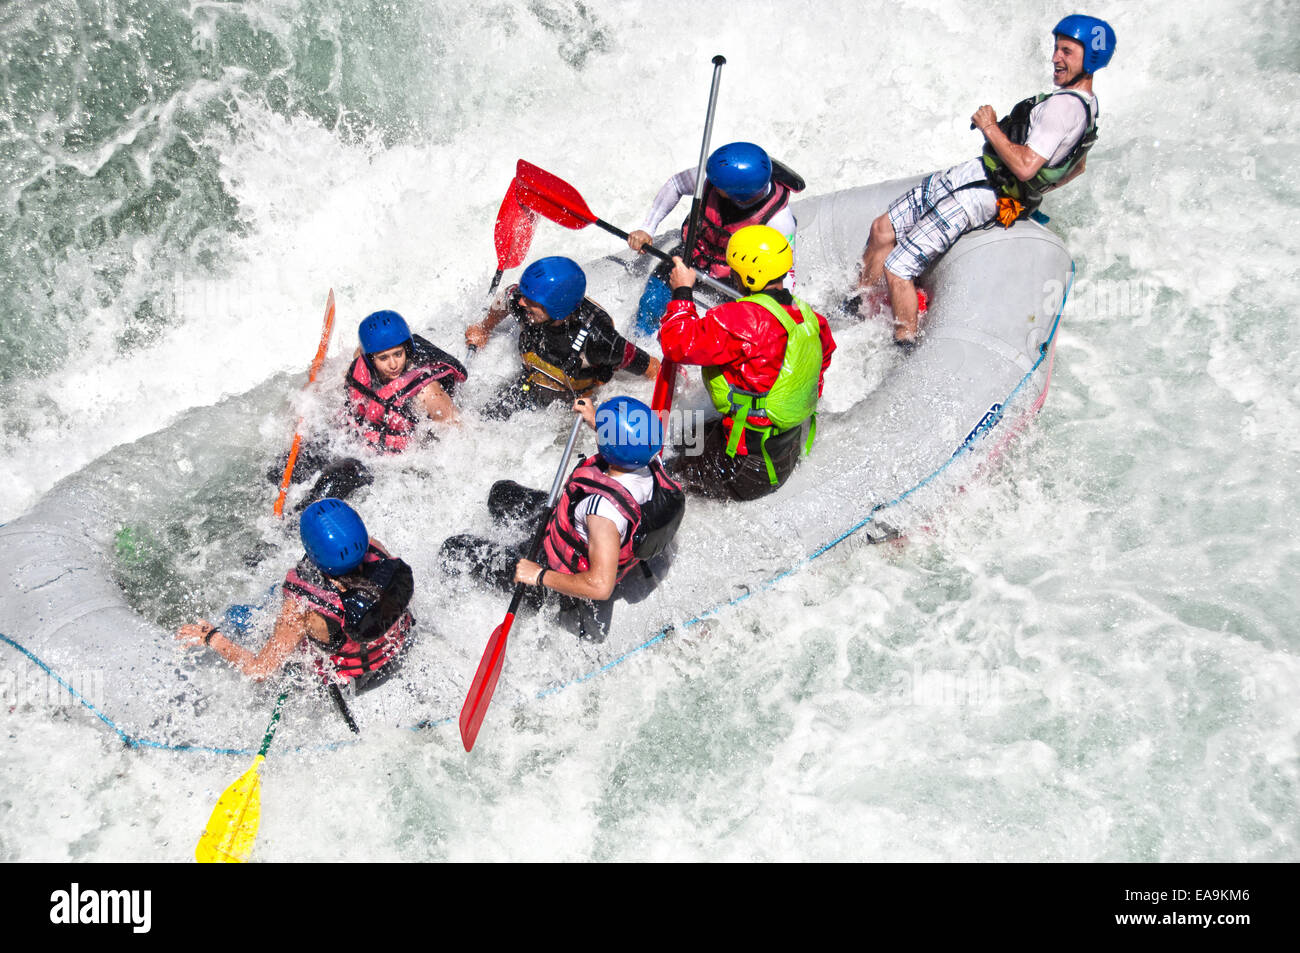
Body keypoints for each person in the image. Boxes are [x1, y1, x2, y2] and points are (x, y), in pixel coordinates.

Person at [851, 15, 1115, 346]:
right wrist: (1031, 194)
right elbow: (1077, 167)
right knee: (882, 228)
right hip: (976, 175)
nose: (1055, 58)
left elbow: (1025, 168)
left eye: (1066, 51)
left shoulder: (1063, 109)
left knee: (899, 267)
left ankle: (904, 341)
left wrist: (989, 125)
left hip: (982, 193)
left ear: (1089, 58)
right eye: (1056, 49)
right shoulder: (1088, 108)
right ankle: (860, 307)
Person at [440, 396, 684, 643]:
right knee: (501, 493)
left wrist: (538, 575)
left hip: (561, 571)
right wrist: (596, 420)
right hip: (567, 525)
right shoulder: (650, 459)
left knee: (453, 550)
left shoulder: (603, 513)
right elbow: (629, 444)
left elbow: (600, 586)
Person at [660, 224, 836, 501]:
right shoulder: (810, 318)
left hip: (744, 471)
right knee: (689, 433)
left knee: (665, 475)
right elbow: (821, 362)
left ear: (749, 276)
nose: (733, 277)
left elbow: (676, 344)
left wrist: (682, 291)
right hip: (784, 449)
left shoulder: (741, 320)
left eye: (735, 272)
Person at [177, 499, 416, 692]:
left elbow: (259, 670)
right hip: (398, 650)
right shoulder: (376, 549)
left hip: (357, 679)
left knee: (235, 617)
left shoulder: (300, 607)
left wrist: (212, 638)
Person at [270, 309, 466, 510]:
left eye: (398, 354)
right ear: (370, 358)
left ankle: (298, 522)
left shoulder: (427, 392)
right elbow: (325, 387)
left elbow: (455, 433)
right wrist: (315, 387)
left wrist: (425, 460)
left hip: (387, 466)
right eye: (383, 358)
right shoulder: (360, 362)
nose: (393, 364)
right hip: (352, 442)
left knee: (338, 475)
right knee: (284, 466)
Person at [625, 142, 805, 334]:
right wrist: (647, 229)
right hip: (689, 256)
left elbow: (785, 270)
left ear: (736, 194)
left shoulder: (779, 221)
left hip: (736, 278)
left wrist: (778, 312)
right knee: (650, 305)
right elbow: (676, 184)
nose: (711, 181)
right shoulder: (712, 178)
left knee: (729, 332)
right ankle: (640, 347)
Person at [464, 256, 660, 419]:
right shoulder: (524, 304)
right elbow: (506, 297)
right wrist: (484, 327)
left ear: (557, 307)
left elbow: (653, 368)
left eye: (530, 300)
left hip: (573, 407)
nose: (522, 302)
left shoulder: (600, 341)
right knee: (481, 419)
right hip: (531, 383)